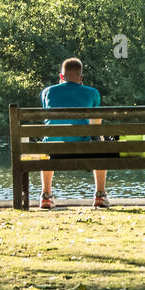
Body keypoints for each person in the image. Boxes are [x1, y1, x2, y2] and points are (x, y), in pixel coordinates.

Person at [39, 57, 110, 210]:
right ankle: (100, 195)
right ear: (81, 77)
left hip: (53, 150)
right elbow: (96, 126)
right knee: (101, 146)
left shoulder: (47, 92)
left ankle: (46, 196)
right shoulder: (92, 93)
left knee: (48, 145)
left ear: (61, 76)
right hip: (82, 149)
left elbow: (48, 119)